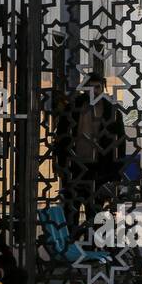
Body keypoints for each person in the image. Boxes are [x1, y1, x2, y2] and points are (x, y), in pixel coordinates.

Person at [52, 72, 128, 234]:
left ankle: (92, 247)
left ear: (103, 88)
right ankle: (70, 246)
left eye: (98, 87)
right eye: (90, 87)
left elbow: (119, 143)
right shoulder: (73, 108)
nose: (94, 91)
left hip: (99, 170)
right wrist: (59, 163)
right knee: (70, 210)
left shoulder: (111, 111)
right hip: (74, 167)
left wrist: (117, 172)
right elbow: (61, 138)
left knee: (95, 212)